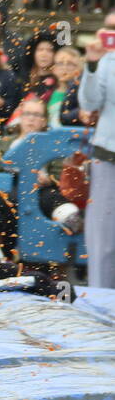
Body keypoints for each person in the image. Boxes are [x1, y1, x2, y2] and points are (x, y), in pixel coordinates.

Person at [80, 20, 115, 288]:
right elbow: (90, 102)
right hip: (108, 157)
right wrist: (91, 65)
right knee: (103, 241)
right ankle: (101, 302)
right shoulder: (107, 60)